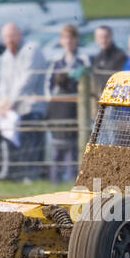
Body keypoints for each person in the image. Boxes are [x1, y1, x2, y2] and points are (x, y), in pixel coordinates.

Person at [44, 23, 90, 184]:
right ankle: (54, 181)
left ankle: (73, 179)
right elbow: (48, 88)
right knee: (57, 147)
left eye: (71, 38)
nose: (68, 41)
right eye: (65, 38)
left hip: (77, 111)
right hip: (59, 111)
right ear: (61, 41)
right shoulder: (56, 63)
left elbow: (87, 83)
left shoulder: (82, 60)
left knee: (73, 148)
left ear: (76, 40)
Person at [89, 25, 127, 97]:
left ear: (111, 37)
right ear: (96, 39)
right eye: (100, 37)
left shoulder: (120, 56)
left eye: (106, 36)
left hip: (115, 98)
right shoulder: (97, 58)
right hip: (100, 97)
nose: (103, 40)